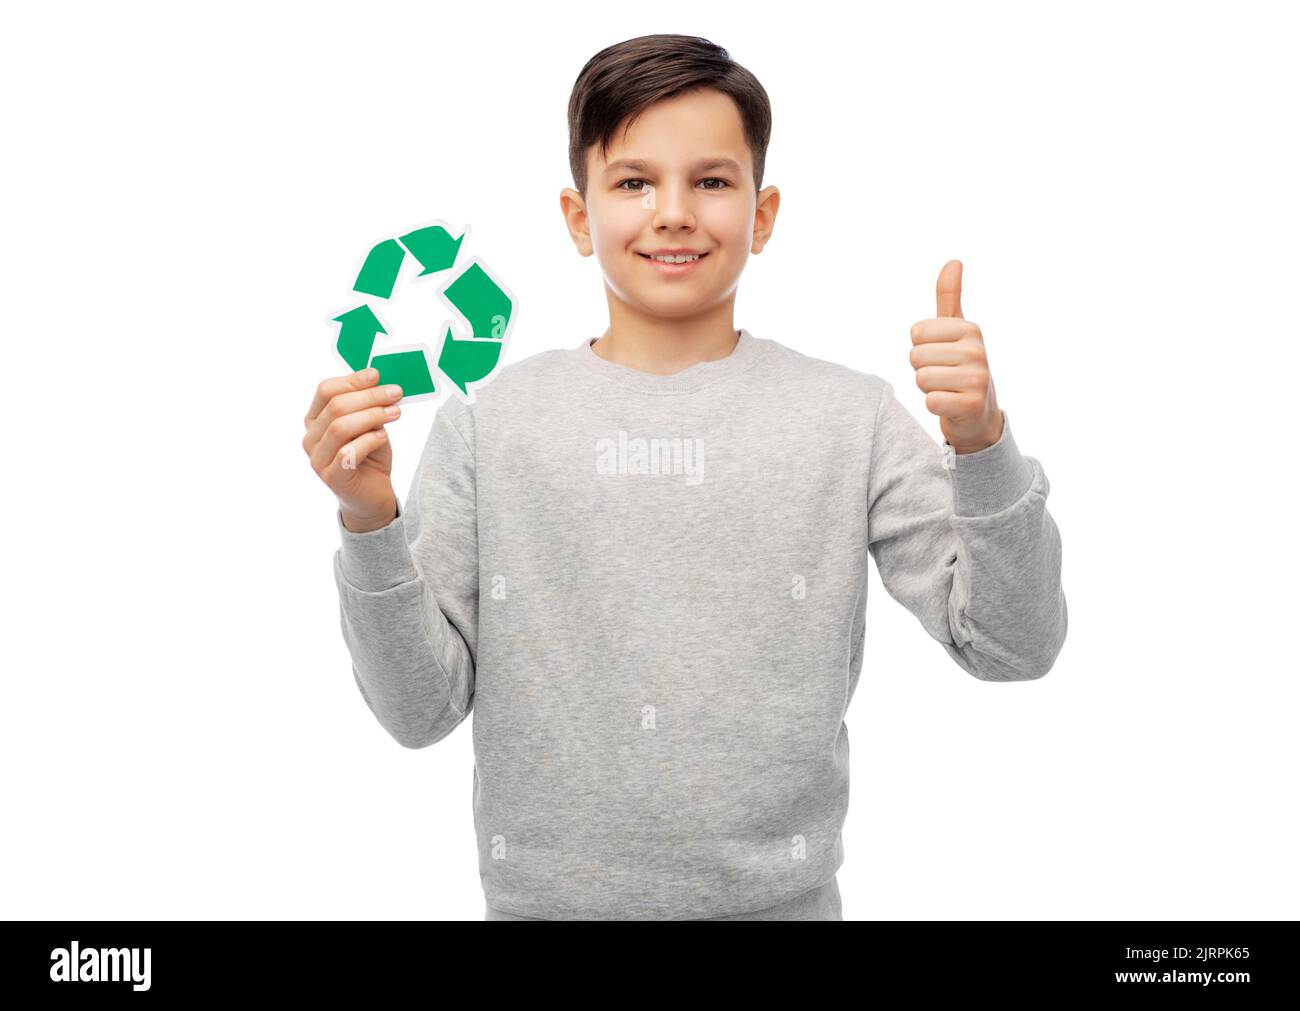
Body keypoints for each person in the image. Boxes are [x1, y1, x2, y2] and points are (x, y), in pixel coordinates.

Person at [301, 34, 1067, 921]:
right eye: (633, 182)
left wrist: (981, 444)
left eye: (711, 180)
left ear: (763, 212)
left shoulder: (848, 419)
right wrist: (369, 522)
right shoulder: (488, 425)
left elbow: (1015, 643)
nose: (672, 212)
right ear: (578, 215)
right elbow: (418, 711)